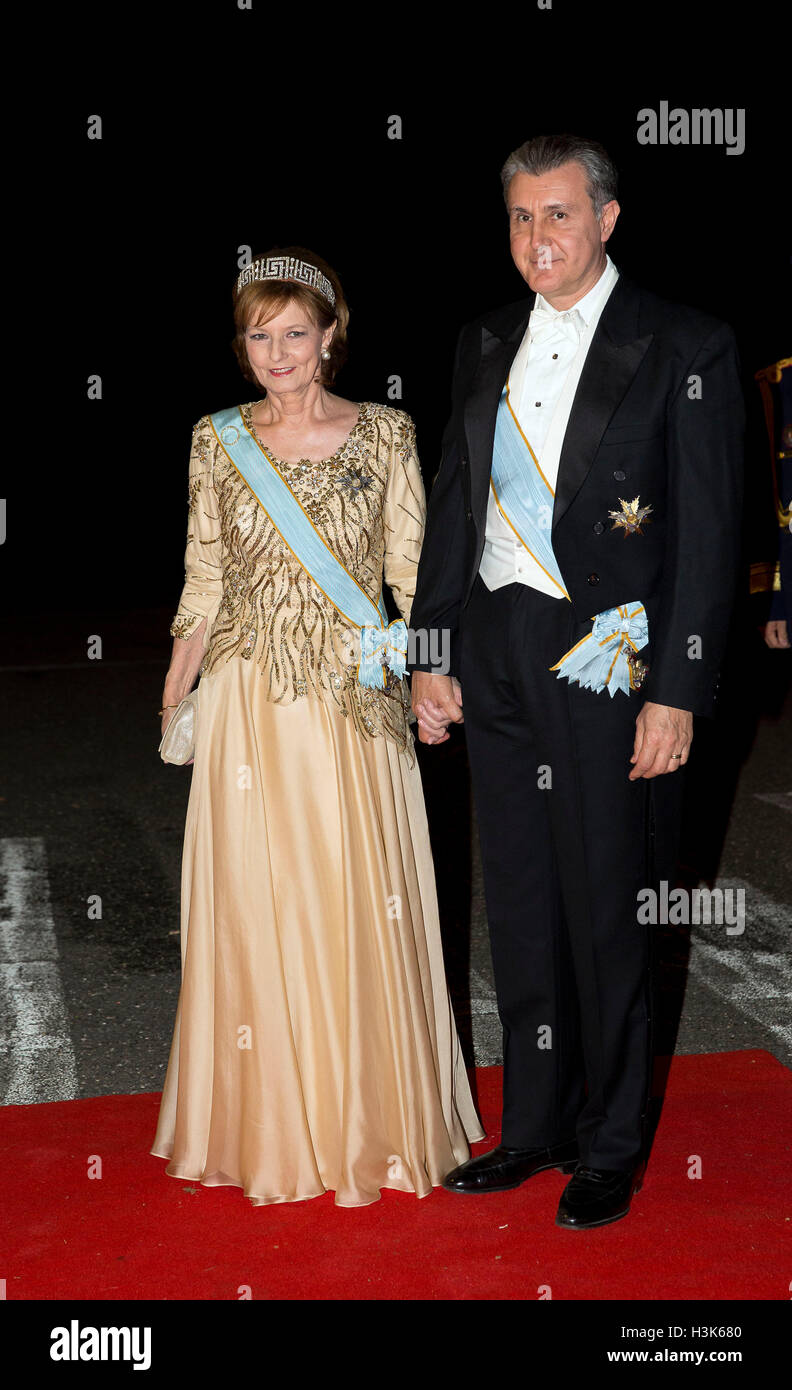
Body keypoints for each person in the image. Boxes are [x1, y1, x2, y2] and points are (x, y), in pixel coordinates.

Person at [409, 136, 744, 1228]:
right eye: (518, 218)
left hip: (611, 653)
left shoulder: (685, 342)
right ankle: (538, 1125)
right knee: (520, 897)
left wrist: (679, 693)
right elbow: (454, 508)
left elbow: (708, 534)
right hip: (497, 642)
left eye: (557, 215)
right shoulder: (481, 339)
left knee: (609, 900)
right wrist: (433, 656)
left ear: (606, 218)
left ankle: (611, 1143)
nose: (535, 239)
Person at [150, 246, 484, 1207]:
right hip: (251, 701)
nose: (278, 350)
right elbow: (203, 578)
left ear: (332, 337)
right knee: (256, 903)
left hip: (352, 701)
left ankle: (370, 1125)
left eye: (296, 331)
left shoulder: (386, 433)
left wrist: (431, 676)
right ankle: (266, 1130)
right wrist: (178, 686)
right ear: (243, 342)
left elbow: (415, 571)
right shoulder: (216, 438)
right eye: (261, 333)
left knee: (355, 896)